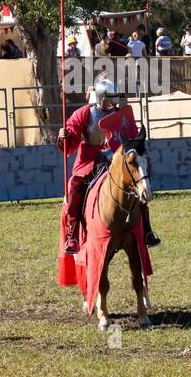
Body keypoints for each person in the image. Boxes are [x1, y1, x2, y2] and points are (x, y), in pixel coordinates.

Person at [57, 77, 157, 255]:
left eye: (115, 98)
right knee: (75, 188)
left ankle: (147, 230)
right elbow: (72, 131)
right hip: (90, 161)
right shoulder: (85, 113)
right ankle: (72, 235)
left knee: (138, 185)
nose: (114, 102)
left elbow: (132, 136)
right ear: (102, 98)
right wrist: (65, 135)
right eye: (110, 98)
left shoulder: (122, 114)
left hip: (116, 160)